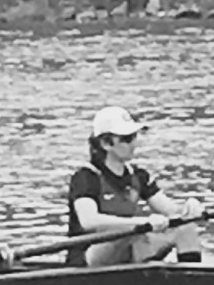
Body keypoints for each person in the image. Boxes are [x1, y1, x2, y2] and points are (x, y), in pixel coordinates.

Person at [67, 105, 204, 266]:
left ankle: (191, 280)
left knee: (185, 227)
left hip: (128, 245)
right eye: (126, 139)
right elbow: (89, 221)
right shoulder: (86, 177)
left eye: (134, 136)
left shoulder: (139, 176)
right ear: (105, 143)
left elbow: (172, 211)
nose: (134, 144)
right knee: (126, 232)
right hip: (89, 257)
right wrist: (140, 223)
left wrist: (189, 208)